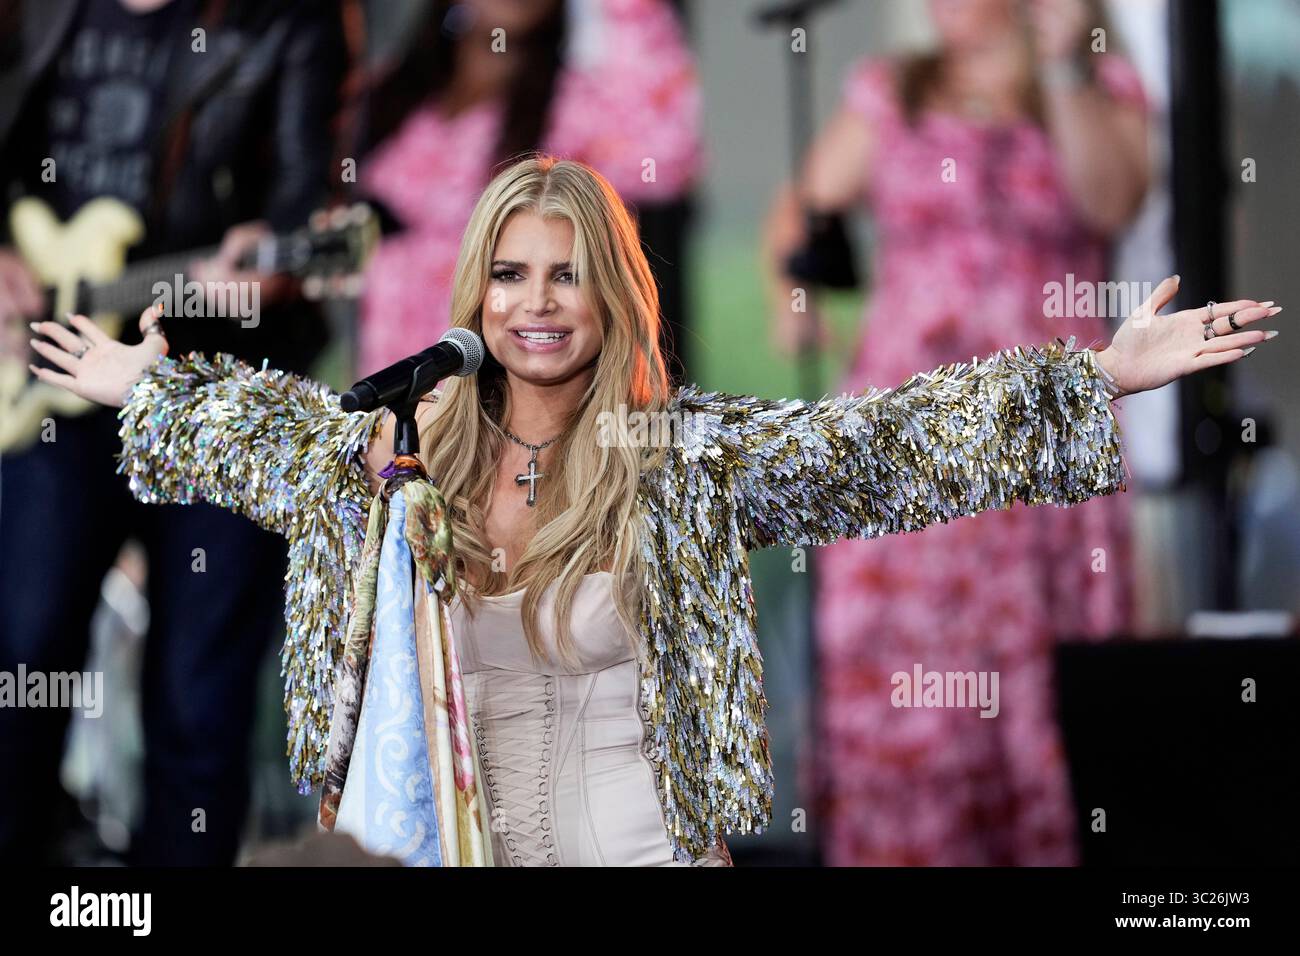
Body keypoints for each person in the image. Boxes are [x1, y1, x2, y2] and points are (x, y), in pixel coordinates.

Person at [28, 155, 1282, 866]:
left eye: (566, 274)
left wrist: (1094, 375)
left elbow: (880, 438)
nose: (536, 301)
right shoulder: (394, 449)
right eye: (509, 273)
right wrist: (137, 375)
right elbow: (274, 433)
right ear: (473, 294)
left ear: (613, 294)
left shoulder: (678, 455)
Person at [762, 0, 1152, 864]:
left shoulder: (1093, 84)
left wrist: (1059, 66)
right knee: (899, 670)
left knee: (1034, 679)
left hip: (1038, 435)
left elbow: (1113, 196)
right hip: (909, 435)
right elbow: (801, 211)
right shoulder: (891, 90)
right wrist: (794, 302)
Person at [0, 0, 345, 864]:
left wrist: (259, 275)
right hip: (45, 388)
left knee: (199, 697)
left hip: (208, 393)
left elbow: (308, 223)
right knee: (21, 666)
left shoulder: (280, 20)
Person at [347, 0, 701, 383]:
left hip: (503, 380)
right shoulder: (389, 93)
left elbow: (668, 157)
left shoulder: (574, 104)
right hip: (393, 373)